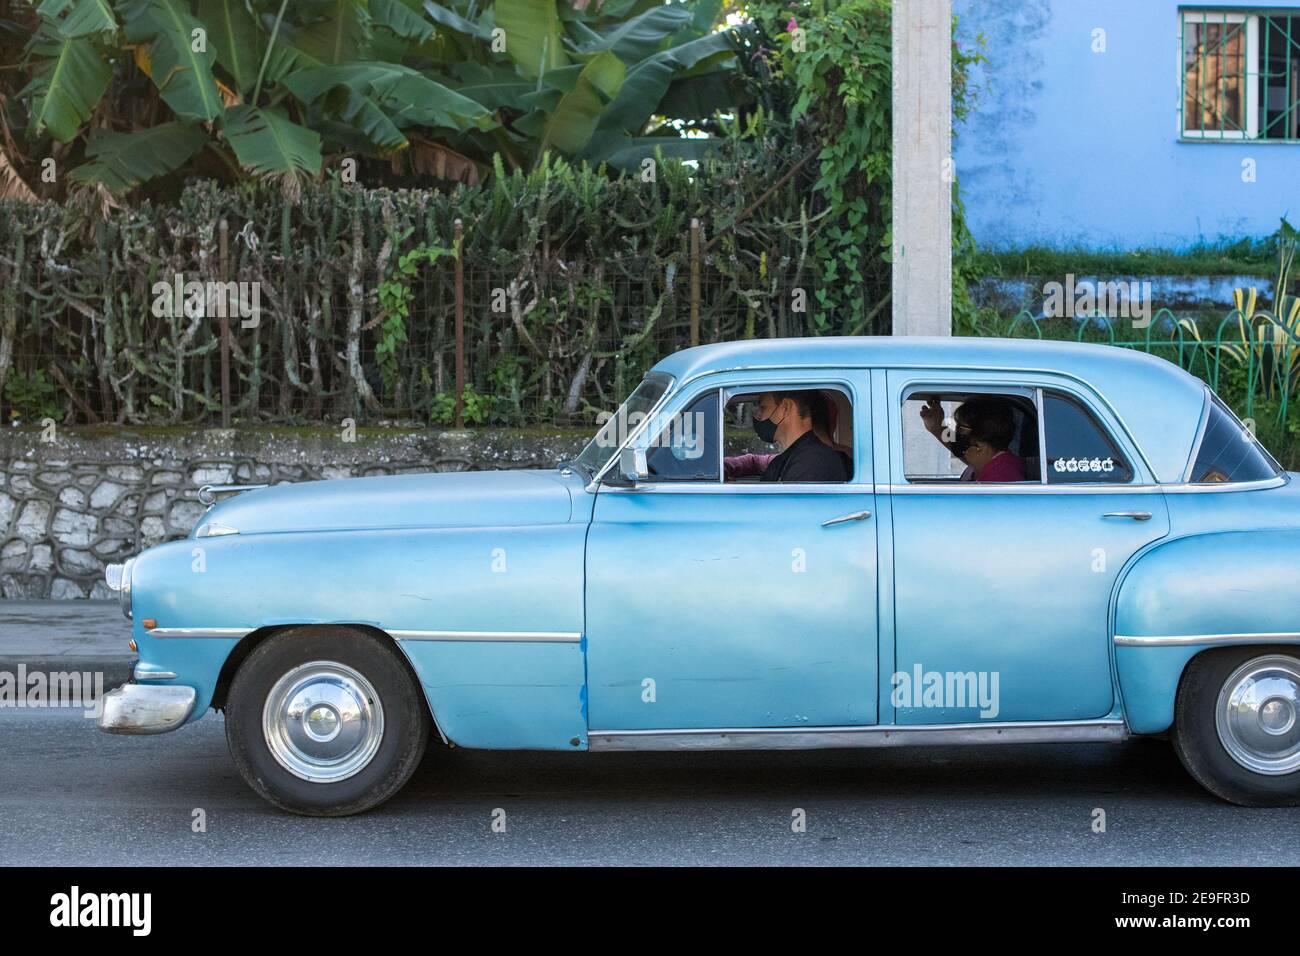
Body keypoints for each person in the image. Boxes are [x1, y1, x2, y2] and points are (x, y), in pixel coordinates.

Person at [725, 391, 851, 480]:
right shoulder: (795, 455)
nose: (759, 416)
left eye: (763, 407)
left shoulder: (811, 462)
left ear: (785, 408)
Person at [920, 396, 1027, 483]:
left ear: (981, 440)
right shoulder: (983, 462)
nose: (956, 435)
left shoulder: (999, 481)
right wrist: (938, 428)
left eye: (961, 429)